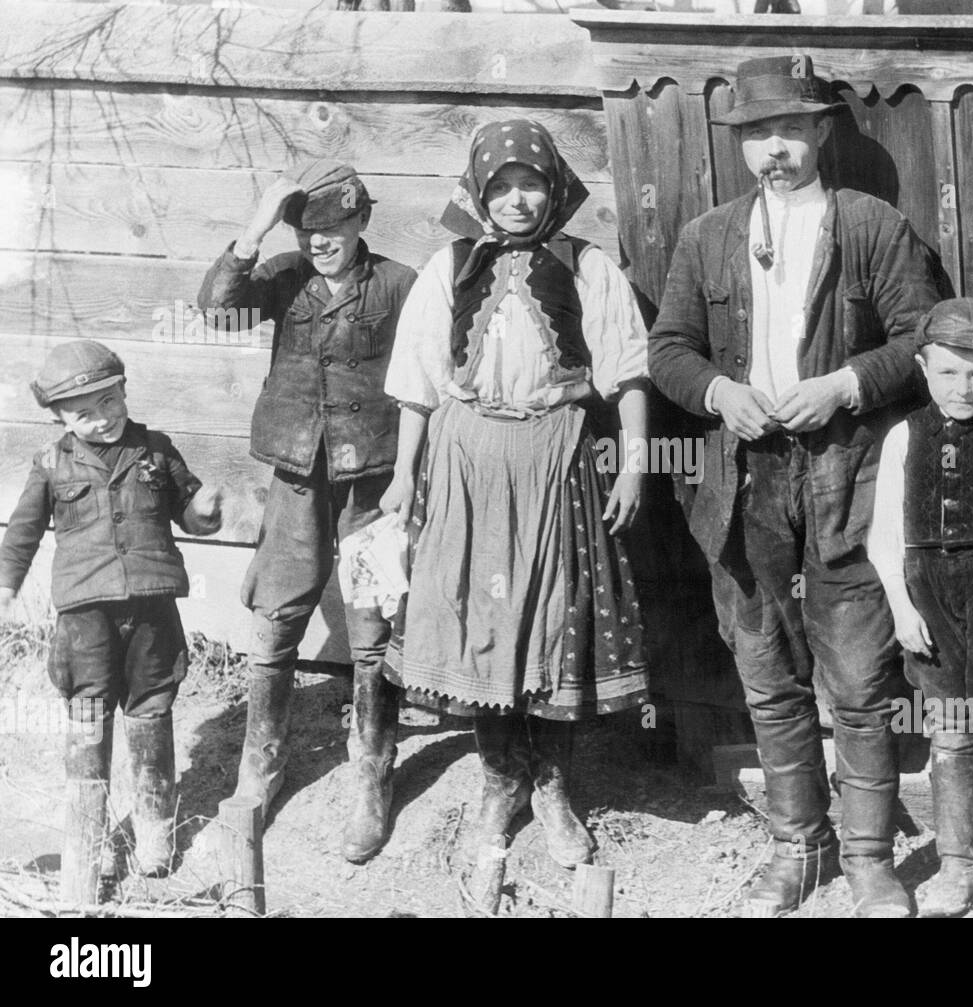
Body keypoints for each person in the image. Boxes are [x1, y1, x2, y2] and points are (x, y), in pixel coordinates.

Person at [649, 55, 940, 917]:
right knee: (769, 674)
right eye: (756, 134)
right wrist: (717, 393)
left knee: (858, 680)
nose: (773, 148)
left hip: (846, 472)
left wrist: (843, 385)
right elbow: (668, 347)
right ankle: (799, 844)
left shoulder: (872, 225)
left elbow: (922, 339)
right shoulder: (708, 236)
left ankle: (869, 856)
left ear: (819, 132)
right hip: (741, 482)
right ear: (740, 145)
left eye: (788, 129)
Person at [381, 120, 650, 873]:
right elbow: (417, 380)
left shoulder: (588, 265)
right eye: (499, 187)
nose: (515, 200)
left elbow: (628, 372)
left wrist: (633, 466)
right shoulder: (451, 266)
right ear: (478, 193)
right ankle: (499, 780)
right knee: (480, 620)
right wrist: (405, 475)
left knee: (551, 617)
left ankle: (555, 786)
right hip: (466, 457)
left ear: (554, 187)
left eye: (529, 183)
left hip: (555, 453)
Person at [198, 159, 417, 863]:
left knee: (372, 614)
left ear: (361, 221)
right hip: (297, 465)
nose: (319, 241)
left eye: (333, 227)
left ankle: (372, 764)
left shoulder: (397, 284)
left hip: (373, 473)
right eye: (306, 229)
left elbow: (429, 374)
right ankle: (261, 761)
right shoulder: (285, 277)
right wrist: (254, 230)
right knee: (280, 605)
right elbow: (216, 311)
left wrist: (416, 475)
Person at [0, 341, 223, 887]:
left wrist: (205, 514)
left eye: (109, 401)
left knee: (151, 708)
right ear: (57, 417)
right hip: (85, 614)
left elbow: (190, 512)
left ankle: (154, 832)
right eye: (83, 412)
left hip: (153, 606)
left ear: (124, 390)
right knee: (88, 714)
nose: (101, 419)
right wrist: (6, 584)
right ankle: (90, 841)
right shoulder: (50, 463)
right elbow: (23, 532)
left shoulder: (156, 449)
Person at [868, 298, 973, 917]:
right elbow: (884, 531)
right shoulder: (903, 436)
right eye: (948, 372)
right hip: (928, 592)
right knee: (949, 729)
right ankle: (954, 863)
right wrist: (900, 603)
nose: (964, 387)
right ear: (922, 367)